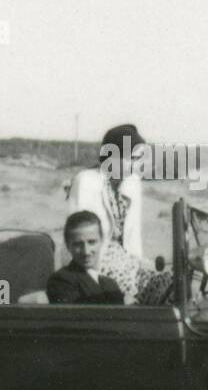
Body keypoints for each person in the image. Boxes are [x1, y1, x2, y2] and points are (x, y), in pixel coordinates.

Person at [65, 124, 173, 305]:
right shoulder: (86, 181)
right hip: (93, 260)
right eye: (134, 157)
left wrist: (139, 265)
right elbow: (79, 236)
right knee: (134, 289)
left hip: (124, 260)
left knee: (166, 282)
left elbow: (133, 237)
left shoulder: (132, 183)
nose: (139, 163)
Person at [47, 211, 127, 305]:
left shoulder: (110, 284)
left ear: (102, 241)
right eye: (78, 244)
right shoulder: (61, 280)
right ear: (68, 246)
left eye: (91, 242)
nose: (86, 251)